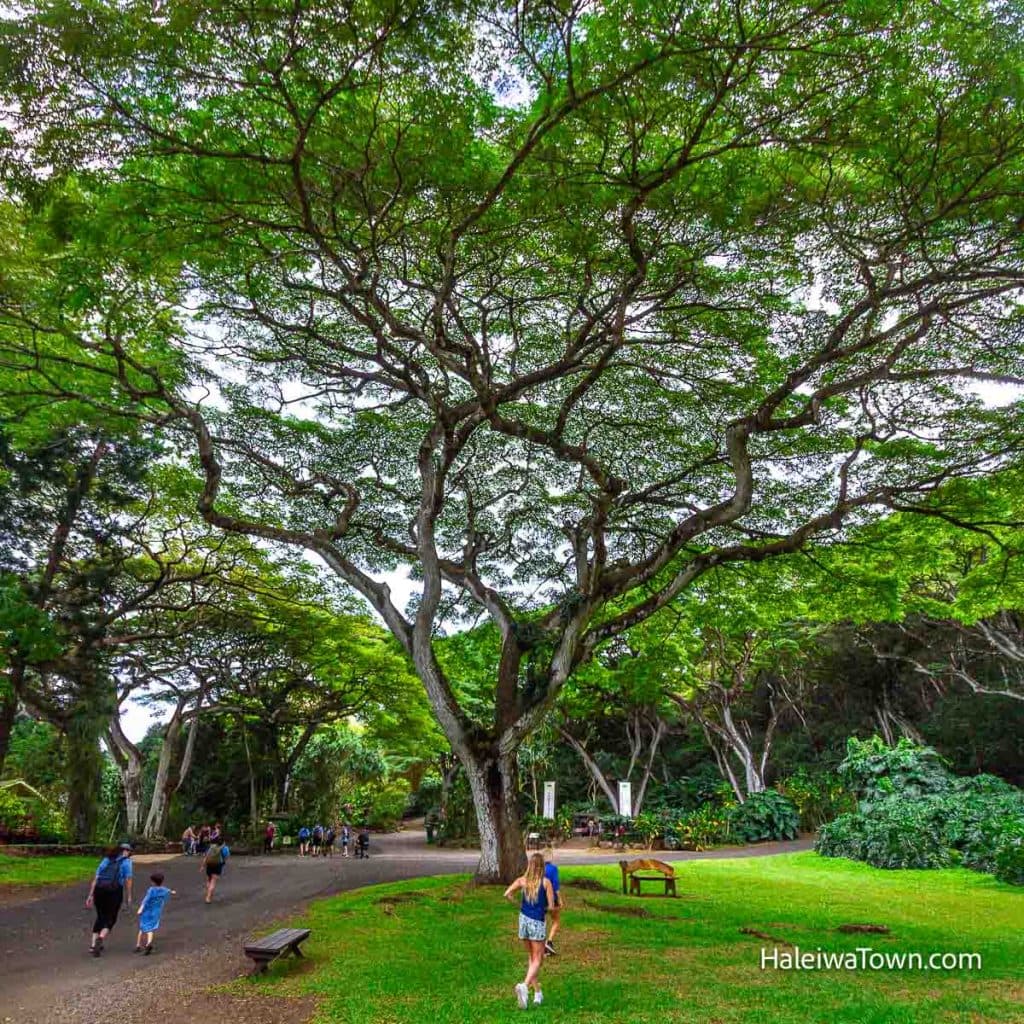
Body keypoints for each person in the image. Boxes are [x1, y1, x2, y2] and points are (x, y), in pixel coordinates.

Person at [503, 853, 554, 1009]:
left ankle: (537, 993)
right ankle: (524, 986)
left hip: (523, 920)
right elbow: (551, 907)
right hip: (537, 921)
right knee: (538, 959)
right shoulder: (546, 883)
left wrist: (520, 905)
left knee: (532, 958)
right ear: (542, 866)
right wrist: (546, 908)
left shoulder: (522, 881)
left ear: (530, 865)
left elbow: (507, 894)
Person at [85, 845, 132, 956]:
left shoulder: (106, 860)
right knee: (111, 916)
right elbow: (128, 879)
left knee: (100, 916)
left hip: (99, 890)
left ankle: (93, 945)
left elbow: (96, 878)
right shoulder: (126, 863)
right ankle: (101, 938)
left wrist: (90, 895)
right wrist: (129, 895)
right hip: (114, 891)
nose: (129, 853)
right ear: (125, 851)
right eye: (129, 851)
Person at [135, 872, 176, 955]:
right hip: (156, 912)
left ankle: (138, 945)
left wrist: (140, 909)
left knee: (143, 927)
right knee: (150, 928)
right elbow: (168, 891)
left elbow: (146, 900)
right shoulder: (163, 889)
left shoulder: (151, 890)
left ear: (153, 882)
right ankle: (148, 943)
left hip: (147, 911)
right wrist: (172, 892)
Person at [542, 847, 564, 956]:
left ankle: (542, 942)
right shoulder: (553, 869)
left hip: (541, 898)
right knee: (555, 920)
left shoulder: (540, 869)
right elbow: (555, 885)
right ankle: (549, 941)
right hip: (552, 898)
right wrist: (559, 899)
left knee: (542, 920)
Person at [202, 834, 230, 903]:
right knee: (213, 881)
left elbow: (206, 857)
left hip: (209, 864)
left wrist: (203, 866)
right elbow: (226, 857)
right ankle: (208, 897)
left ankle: (208, 892)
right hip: (218, 865)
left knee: (209, 879)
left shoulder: (212, 847)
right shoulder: (225, 848)